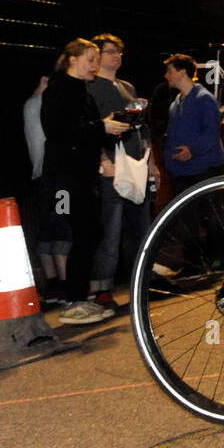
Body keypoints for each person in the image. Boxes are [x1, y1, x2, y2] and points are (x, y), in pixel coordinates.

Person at [42, 39, 130, 324]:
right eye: (91, 59)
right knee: (78, 233)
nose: (95, 65)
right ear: (72, 59)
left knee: (89, 233)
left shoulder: (83, 92)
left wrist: (112, 127)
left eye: (96, 59)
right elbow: (60, 131)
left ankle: (79, 297)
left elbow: (88, 132)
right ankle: (72, 301)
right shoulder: (58, 89)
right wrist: (99, 126)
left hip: (83, 175)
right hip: (65, 178)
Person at [87, 34, 151, 310]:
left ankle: (141, 285)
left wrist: (152, 164)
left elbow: (142, 127)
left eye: (119, 52)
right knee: (110, 231)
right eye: (110, 51)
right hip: (112, 166)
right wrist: (103, 160)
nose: (116, 56)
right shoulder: (90, 88)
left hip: (136, 164)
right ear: (98, 55)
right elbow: (91, 127)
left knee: (142, 228)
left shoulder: (127, 86)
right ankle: (102, 289)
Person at [24, 74, 68, 304]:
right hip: (58, 177)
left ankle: (52, 285)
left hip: (40, 178)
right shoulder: (48, 106)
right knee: (63, 226)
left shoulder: (30, 106)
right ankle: (65, 283)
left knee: (46, 229)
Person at [162, 54, 224, 196]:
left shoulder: (204, 99)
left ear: (182, 72)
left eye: (170, 71)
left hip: (205, 170)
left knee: (210, 215)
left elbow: (212, 132)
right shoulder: (175, 104)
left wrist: (192, 150)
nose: (166, 76)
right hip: (182, 171)